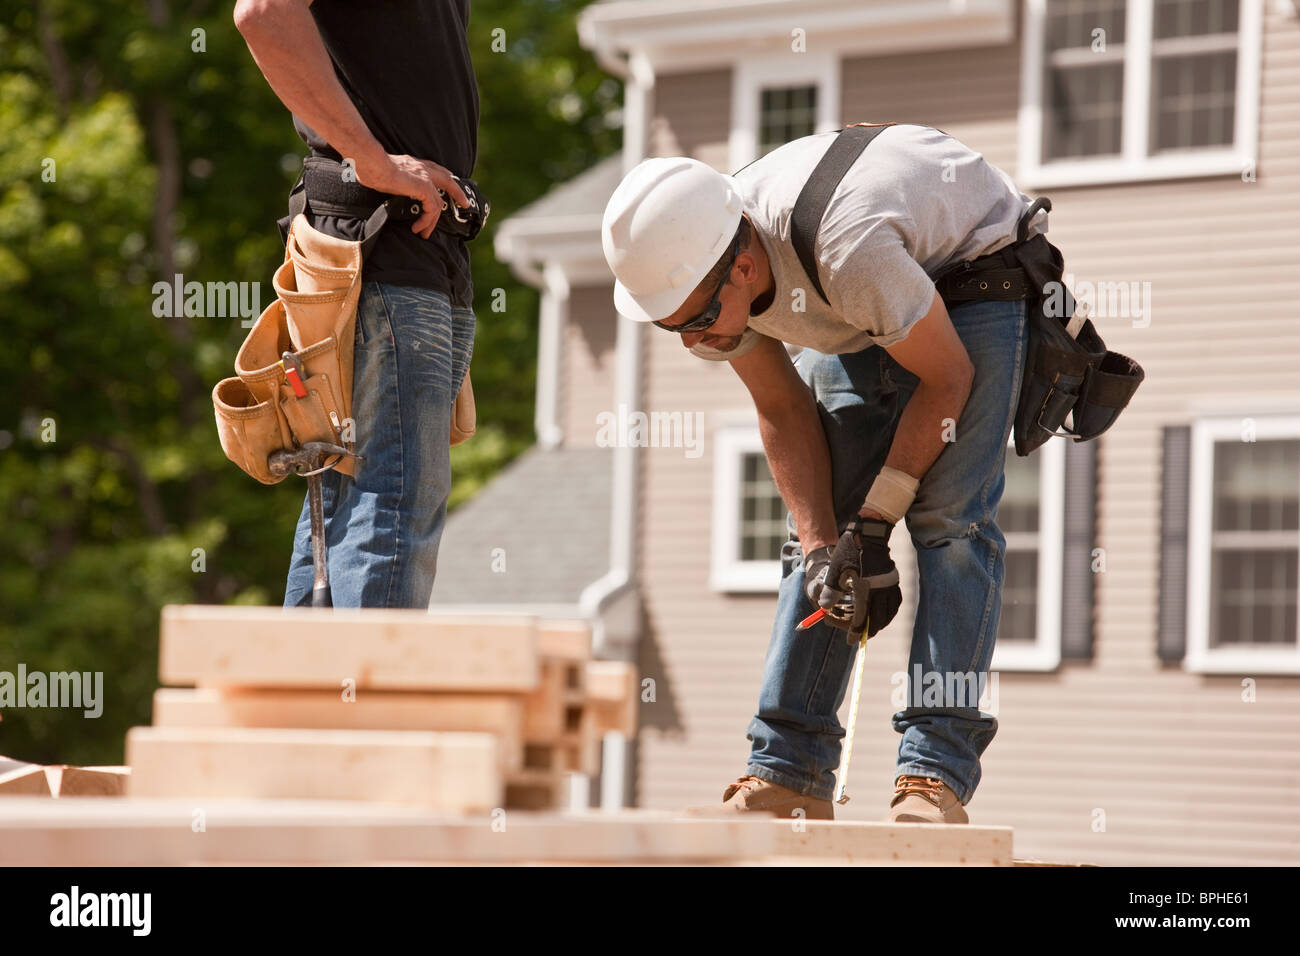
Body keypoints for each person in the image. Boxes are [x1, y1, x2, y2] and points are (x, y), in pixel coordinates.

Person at [601, 123, 1045, 823]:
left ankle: (933, 776)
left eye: (702, 319)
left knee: (950, 523)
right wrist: (822, 549)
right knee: (819, 547)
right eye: (675, 328)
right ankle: (789, 774)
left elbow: (947, 378)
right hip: (856, 301)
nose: (699, 341)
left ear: (743, 268)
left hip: (972, 274)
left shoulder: (845, 246)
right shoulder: (709, 261)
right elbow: (780, 406)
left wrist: (875, 523)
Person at [235, 0, 479, 608]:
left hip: (422, 255)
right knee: (390, 508)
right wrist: (372, 162)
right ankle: (360, 702)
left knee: (348, 508)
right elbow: (264, 12)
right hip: (380, 247)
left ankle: (310, 699)